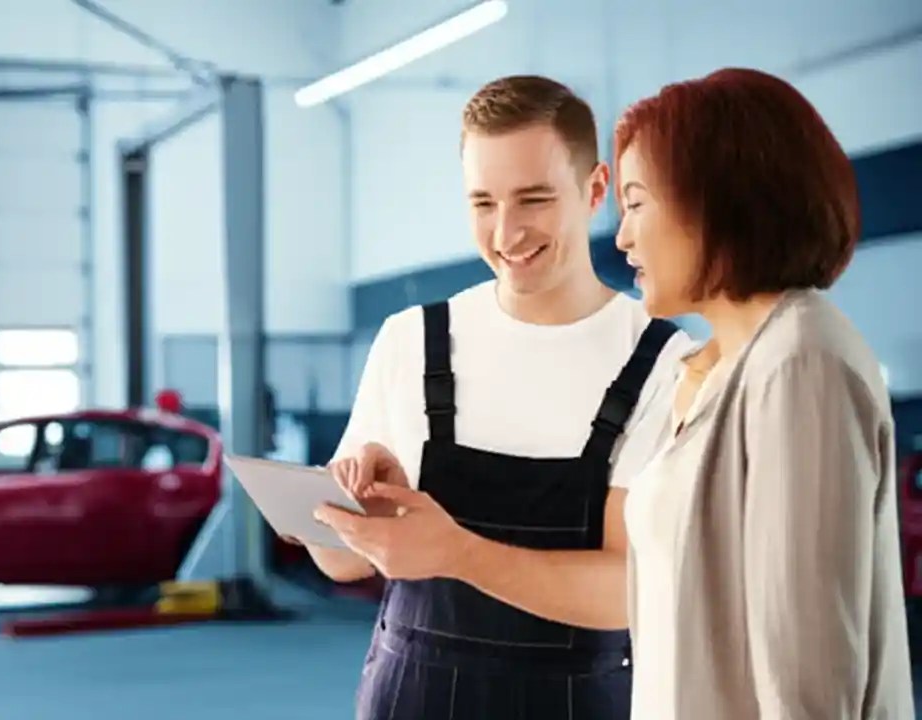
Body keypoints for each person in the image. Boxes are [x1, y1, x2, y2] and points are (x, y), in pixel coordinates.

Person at [300, 75, 696, 719]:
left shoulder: (661, 363)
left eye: (533, 200)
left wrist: (454, 552)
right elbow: (341, 566)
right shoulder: (409, 341)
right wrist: (353, 510)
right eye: (482, 203)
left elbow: (628, 591)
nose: (506, 233)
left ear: (596, 190)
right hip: (409, 697)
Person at [612, 67, 914, 718]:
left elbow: (808, 676)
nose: (622, 237)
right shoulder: (714, 371)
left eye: (636, 203)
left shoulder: (801, 362)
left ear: (716, 196)